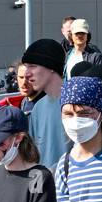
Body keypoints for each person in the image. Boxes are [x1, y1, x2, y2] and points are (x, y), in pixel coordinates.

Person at [20, 39, 71, 167]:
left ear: (51, 67)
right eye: (26, 67)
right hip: (44, 184)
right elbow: (32, 154)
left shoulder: (77, 101)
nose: (26, 73)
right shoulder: (38, 107)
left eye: (32, 66)